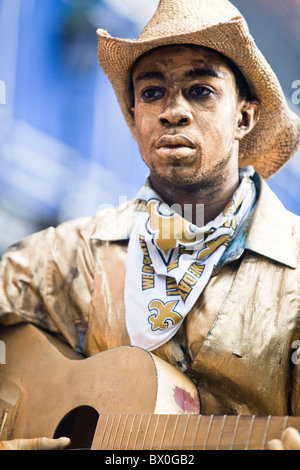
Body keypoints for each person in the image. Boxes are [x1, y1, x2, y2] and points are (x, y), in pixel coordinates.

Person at [1, 0, 300, 451]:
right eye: (152, 92)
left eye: (200, 90)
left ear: (244, 117)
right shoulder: (73, 253)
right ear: (136, 119)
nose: (173, 111)